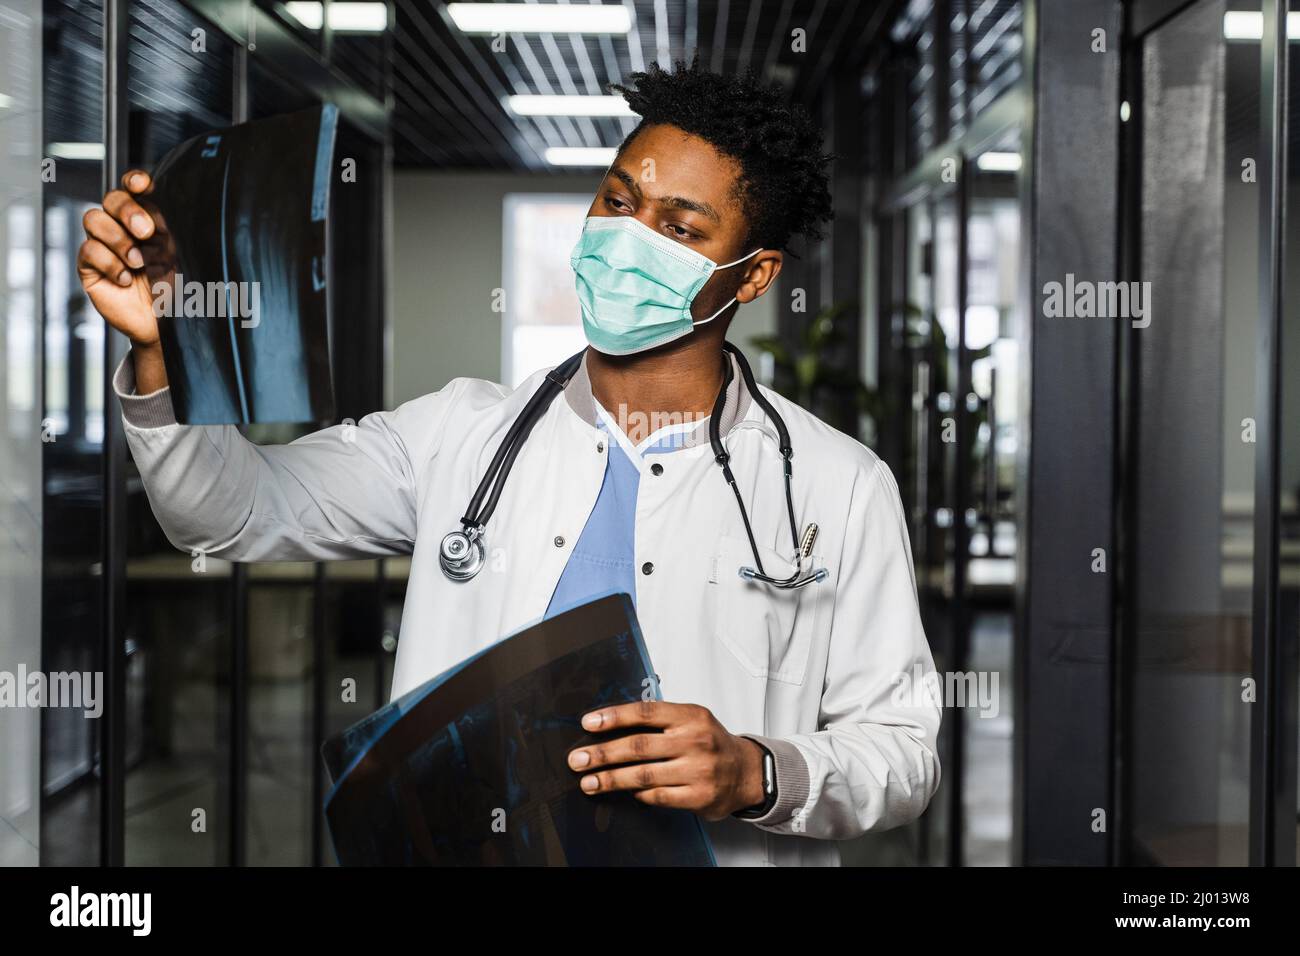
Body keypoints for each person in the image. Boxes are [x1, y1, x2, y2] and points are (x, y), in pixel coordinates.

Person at [78, 61, 940, 867]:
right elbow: (229, 514)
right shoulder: (459, 433)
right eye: (618, 200)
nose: (629, 237)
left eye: (679, 227)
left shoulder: (837, 483)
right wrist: (165, 349)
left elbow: (903, 754)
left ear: (753, 276)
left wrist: (757, 772)